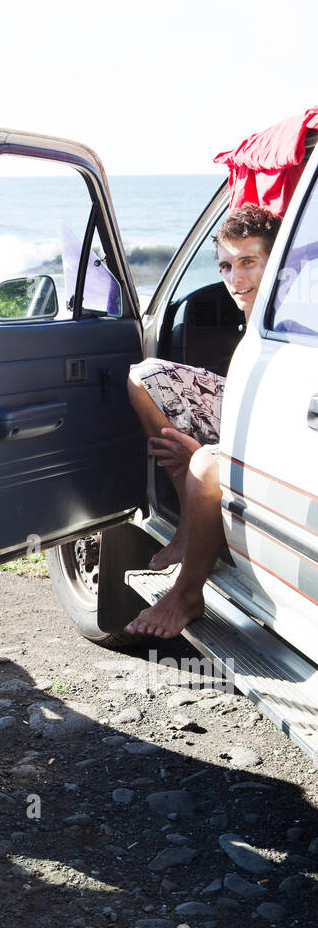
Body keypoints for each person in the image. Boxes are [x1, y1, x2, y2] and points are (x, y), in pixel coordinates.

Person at [123, 203, 281, 638]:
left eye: (249, 263)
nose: (235, 279)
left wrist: (200, 453)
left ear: (278, 260)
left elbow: (278, 419)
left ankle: (187, 593)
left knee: (204, 464)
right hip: (251, 406)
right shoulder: (259, 311)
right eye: (226, 266)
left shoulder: (295, 315)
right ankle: (189, 528)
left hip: (285, 429)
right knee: (144, 376)